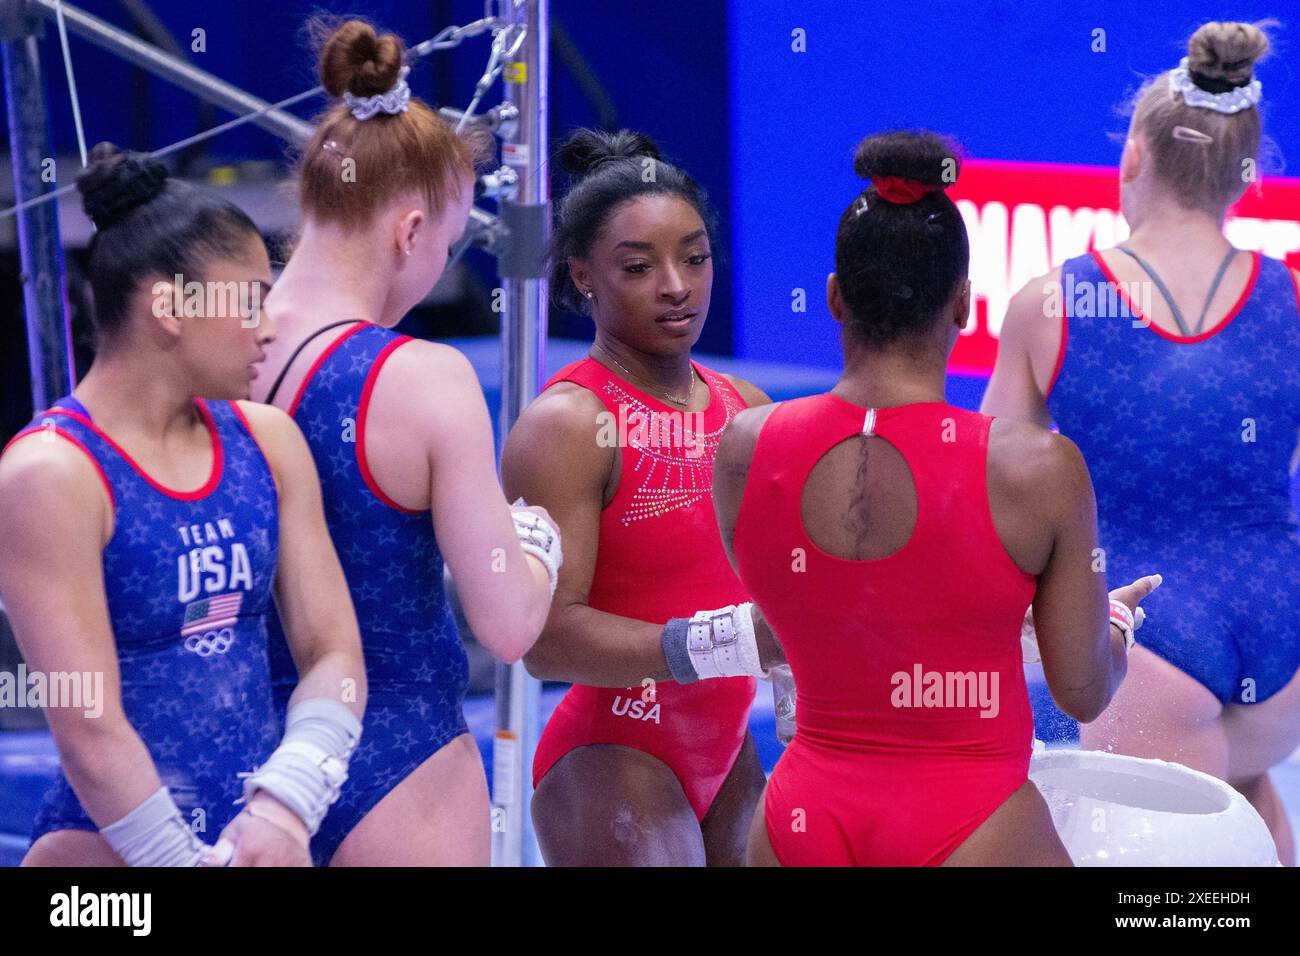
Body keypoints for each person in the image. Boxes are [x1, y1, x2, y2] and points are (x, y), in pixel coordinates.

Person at [713, 130, 1159, 866]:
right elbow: (1081, 691)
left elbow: (822, 612)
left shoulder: (744, 447)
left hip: (801, 820)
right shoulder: (1037, 468)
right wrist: (1112, 622)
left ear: (833, 296)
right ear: (962, 306)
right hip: (977, 823)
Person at [981, 20, 1300, 865]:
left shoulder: (1050, 304)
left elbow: (991, 493)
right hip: (1286, 641)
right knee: (1243, 804)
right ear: (1244, 175)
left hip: (1145, 633)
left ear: (1132, 157)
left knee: (1171, 897)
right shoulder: (1294, 300)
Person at [0, 143, 367, 867]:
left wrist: (286, 808)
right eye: (253, 299)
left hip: (257, 842)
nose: (269, 328)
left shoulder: (269, 441)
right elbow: (88, 724)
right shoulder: (48, 475)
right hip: (103, 863)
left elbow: (335, 654)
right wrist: (178, 863)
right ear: (170, 308)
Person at [253, 18, 561, 866]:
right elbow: (507, 625)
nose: (438, 268)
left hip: (240, 770)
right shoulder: (423, 379)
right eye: (452, 244)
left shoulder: (213, 352)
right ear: (409, 229)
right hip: (394, 766)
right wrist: (538, 541)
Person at [502, 129, 784, 866]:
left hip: (725, 752)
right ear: (583, 276)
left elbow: (784, 587)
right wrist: (728, 642)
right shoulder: (566, 425)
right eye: (638, 266)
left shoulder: (744, 408)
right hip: (610, 754)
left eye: (694, 258)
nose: (676, 284)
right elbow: (545, 640)